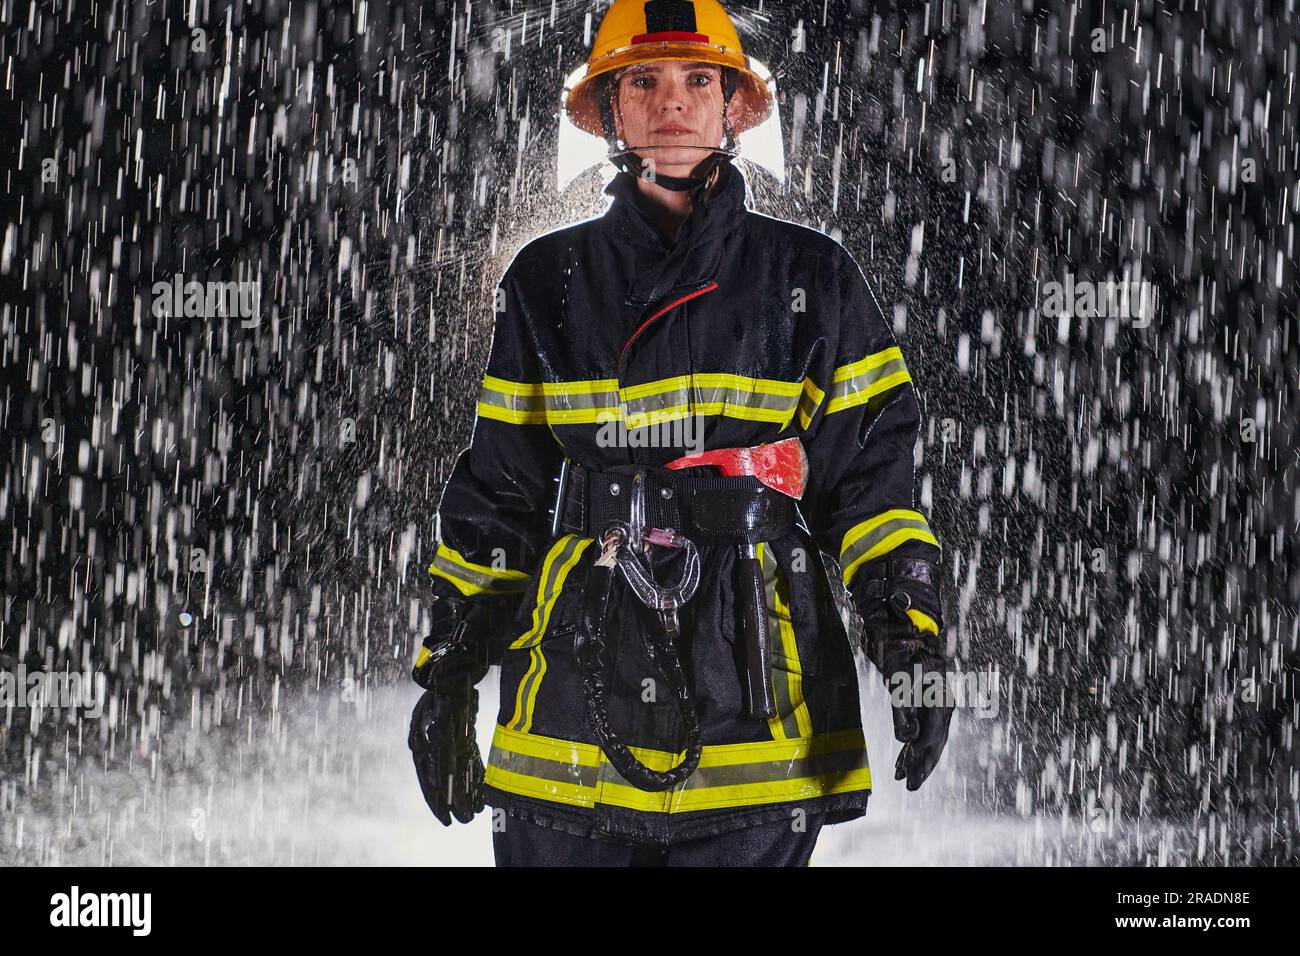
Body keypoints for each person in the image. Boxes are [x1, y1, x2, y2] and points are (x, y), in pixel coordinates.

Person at [408, 0, 953, 868]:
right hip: (574, 691)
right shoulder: (547, 279)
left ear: (733, 106)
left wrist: (910, 641)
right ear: (611, 112)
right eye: (644, 81)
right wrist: (449, 670)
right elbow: (500, 496)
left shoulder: (812, 277)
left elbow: (872, 485)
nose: (673, 103)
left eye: (700, 80)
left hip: (754, 684)